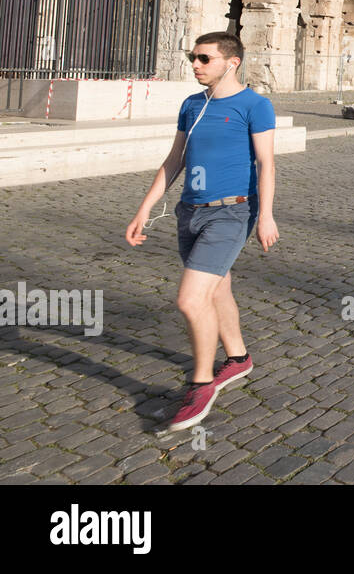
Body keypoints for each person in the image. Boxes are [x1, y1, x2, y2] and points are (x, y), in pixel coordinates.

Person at [125, 32, 278, 433]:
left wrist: (267, 217)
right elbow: (174, 159)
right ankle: (239, 358)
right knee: (218, 286)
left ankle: (201, 384)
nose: (195, 64)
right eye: (193, 57)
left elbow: (266, 164)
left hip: (231, 214)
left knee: (191, 300)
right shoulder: (191, 104)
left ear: (232, 62)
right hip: (188, 213)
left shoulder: (255, 106)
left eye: (204, 58)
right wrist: (144, 209)